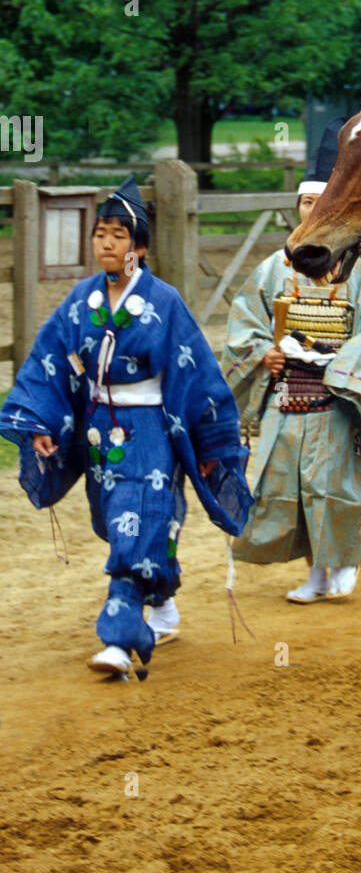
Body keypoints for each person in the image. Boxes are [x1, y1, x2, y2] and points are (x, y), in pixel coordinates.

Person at [0, 177, 252, 675]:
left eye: (118, 235)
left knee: (138, 515)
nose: (107, 244)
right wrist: (40, 422)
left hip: (151, 429)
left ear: (138, 247)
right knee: (119, 520)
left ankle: (119, 636)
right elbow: (48, 360)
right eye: (100, 234)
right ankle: (162, 603)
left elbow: (197, 373)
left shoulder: (164, 302)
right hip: (98, 430)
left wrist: (207, 440)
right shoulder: (81, 300)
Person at [221, 141, 361, 603]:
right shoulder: (271, 269)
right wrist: (262, 353)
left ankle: (344, 563)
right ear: (296, 206)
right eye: (306, 202)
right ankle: (316, 573)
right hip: (288, 395)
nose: (313, 209)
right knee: (291, 487)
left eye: (322, 202)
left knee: (332, 485)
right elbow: (244, 324)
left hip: (337, 396)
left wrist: (341, 363)